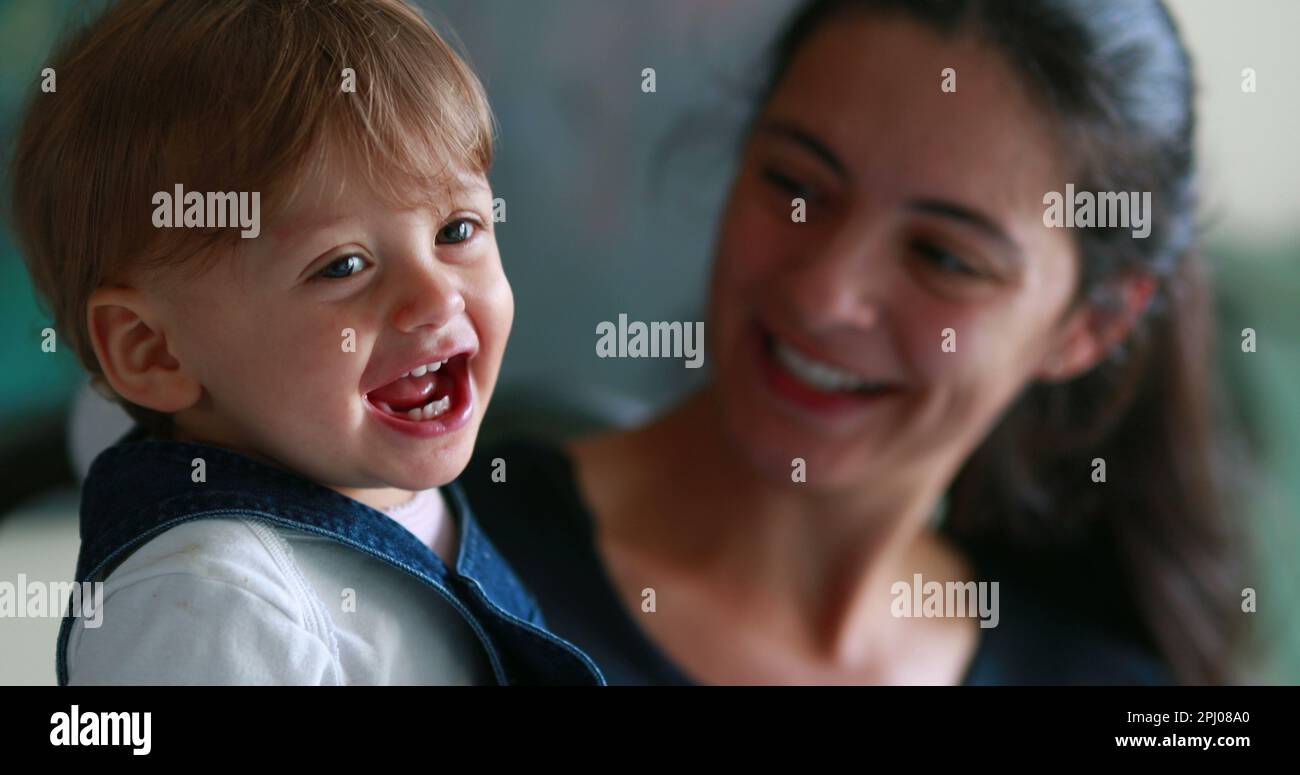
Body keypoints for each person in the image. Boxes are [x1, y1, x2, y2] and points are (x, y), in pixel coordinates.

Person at [464, 0, 1249, 684]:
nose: (824, 294)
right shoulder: (446, 565)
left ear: (1090, 327)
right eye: (796, 187)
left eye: (943, 256)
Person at [10, 0, 600, 685]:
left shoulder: (366, 474)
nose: (437, 297)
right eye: (342, 266)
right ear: (154, 352)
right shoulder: (210, 604)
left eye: (456, 230)